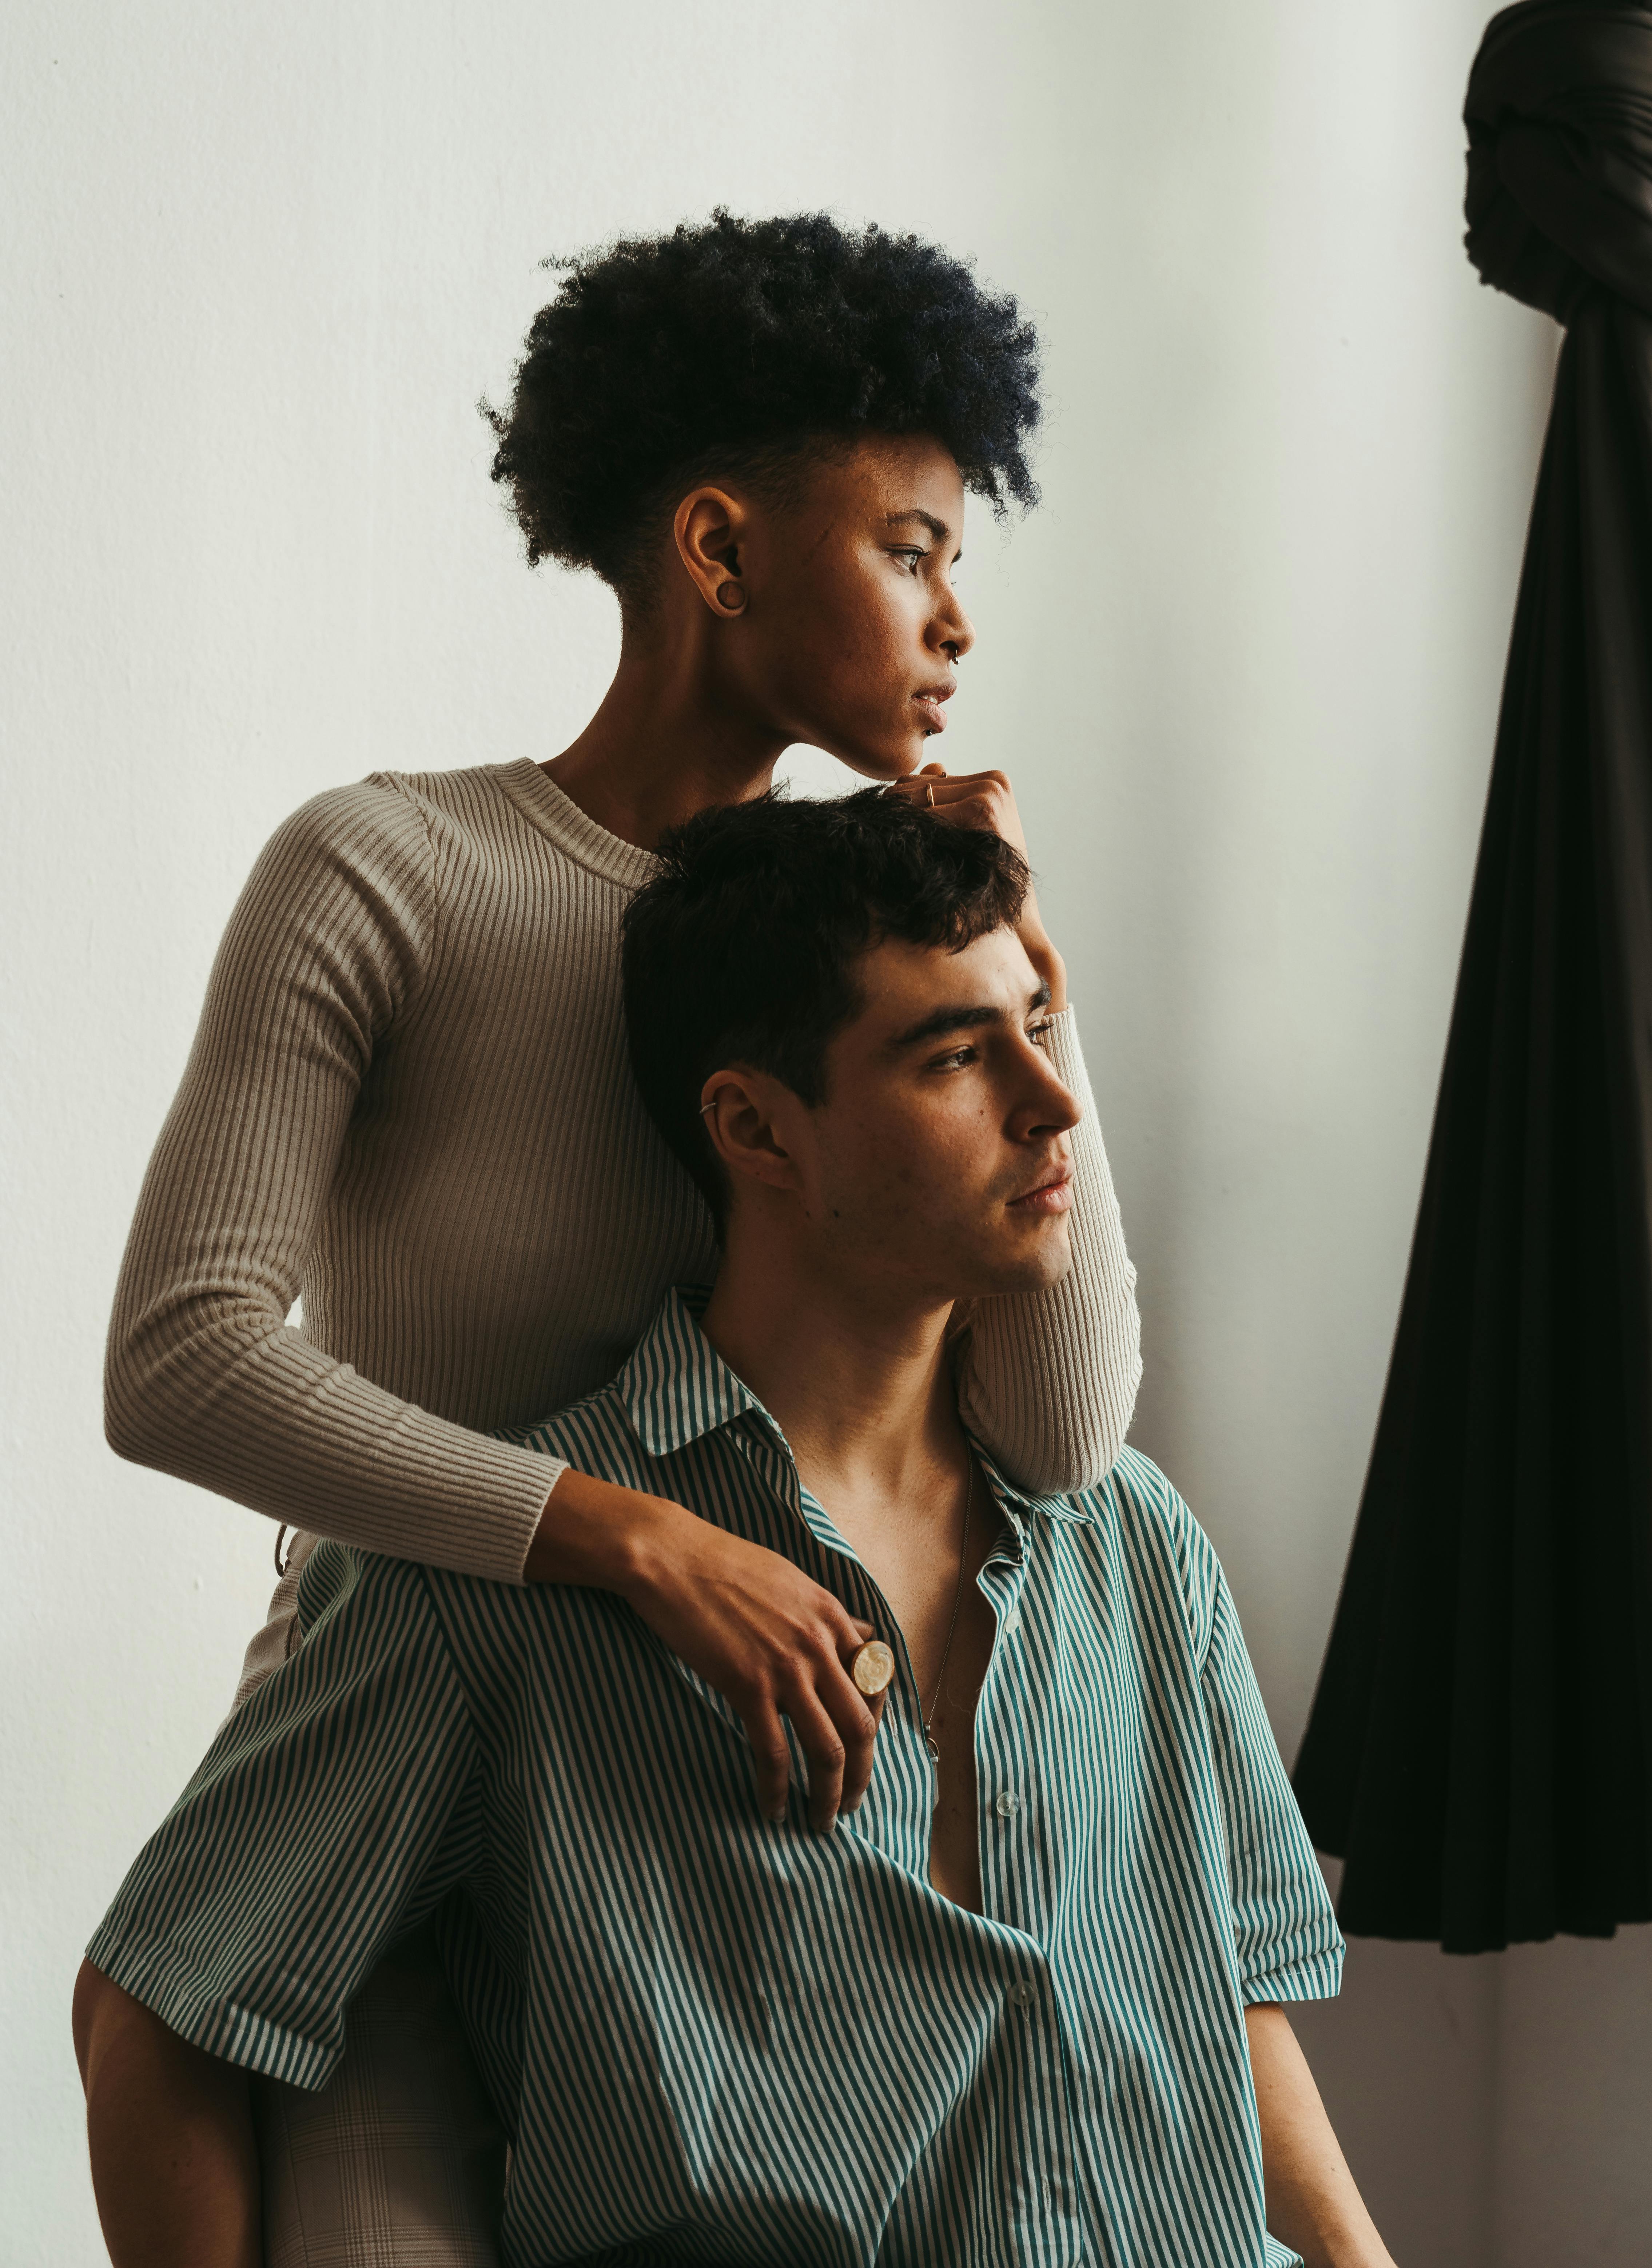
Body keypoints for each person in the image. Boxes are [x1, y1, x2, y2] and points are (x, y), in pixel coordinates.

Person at [93, 214, 1142, 2256]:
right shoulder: (385, 873)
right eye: (915, 545)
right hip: (423, 1783)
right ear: (722, 549)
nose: (958, 618)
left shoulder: (849, 965)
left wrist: (1015, 939)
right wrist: (632, 1537)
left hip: (736, 1840)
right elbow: (181, 1356)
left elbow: (1067, 1417)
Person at [76, 792, 1393, 2268]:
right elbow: (157, 1999)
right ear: (755, 1127)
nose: (1053, 1099)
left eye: (1039, 1022)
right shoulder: (495, 1589)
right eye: (957, 1055)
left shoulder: (1133, 1541)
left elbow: (1226, 1995)